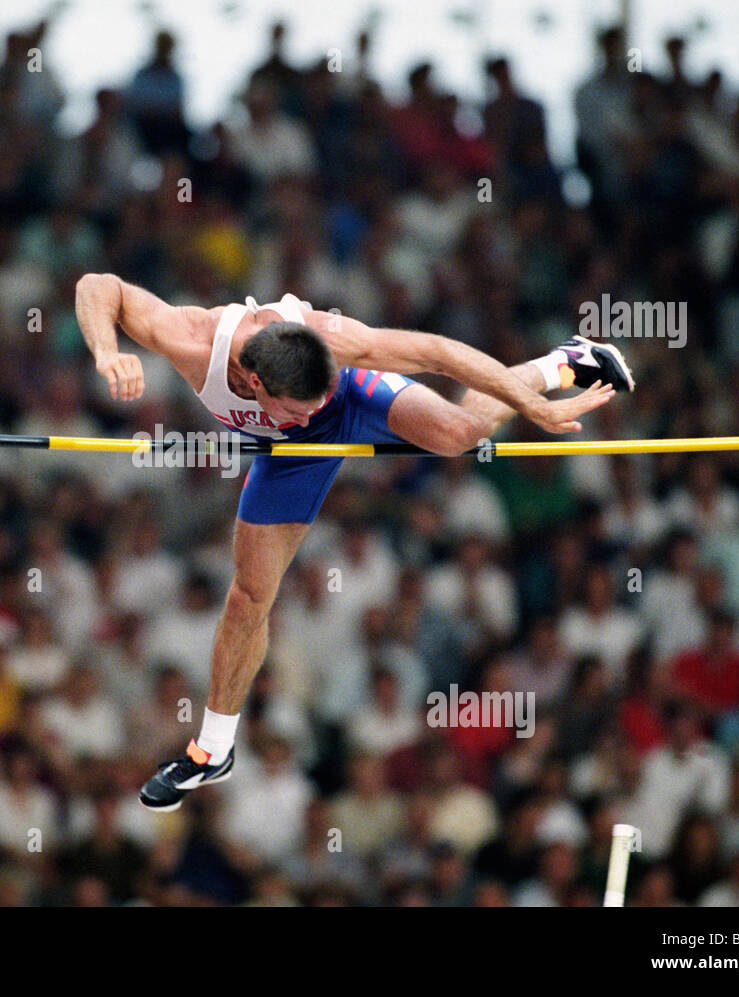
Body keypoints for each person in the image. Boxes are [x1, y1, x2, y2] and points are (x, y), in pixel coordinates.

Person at [73, 273, 634, 810]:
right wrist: (105, 353)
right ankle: (212, 750)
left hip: (357, 399)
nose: (311, 408)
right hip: (288, 451)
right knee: (248, 598)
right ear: (256, 384)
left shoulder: (337, 342)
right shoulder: (192, 339)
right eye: (301, 404)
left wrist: (530, 403)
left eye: (314, 397)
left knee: (459, 433)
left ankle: (562, 362)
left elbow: (439, 353)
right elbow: (99, 287)